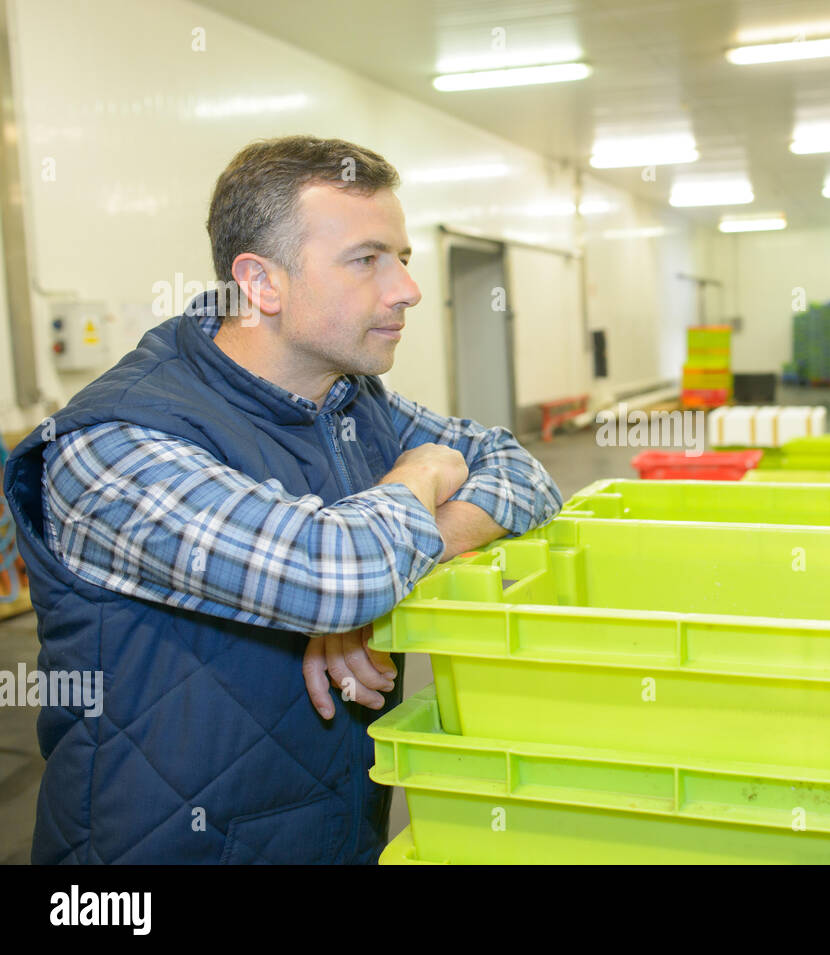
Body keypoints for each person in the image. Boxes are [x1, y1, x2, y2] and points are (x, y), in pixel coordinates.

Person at [3, 135, 563, 864]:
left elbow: (525, 475)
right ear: (261, 283)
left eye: (403, 258)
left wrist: (398, 573)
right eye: (367, 260)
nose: (406, 289)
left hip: (335, 835)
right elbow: (338, 573)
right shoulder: (114, 442)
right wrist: (416, 481)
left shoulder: (353, 402)